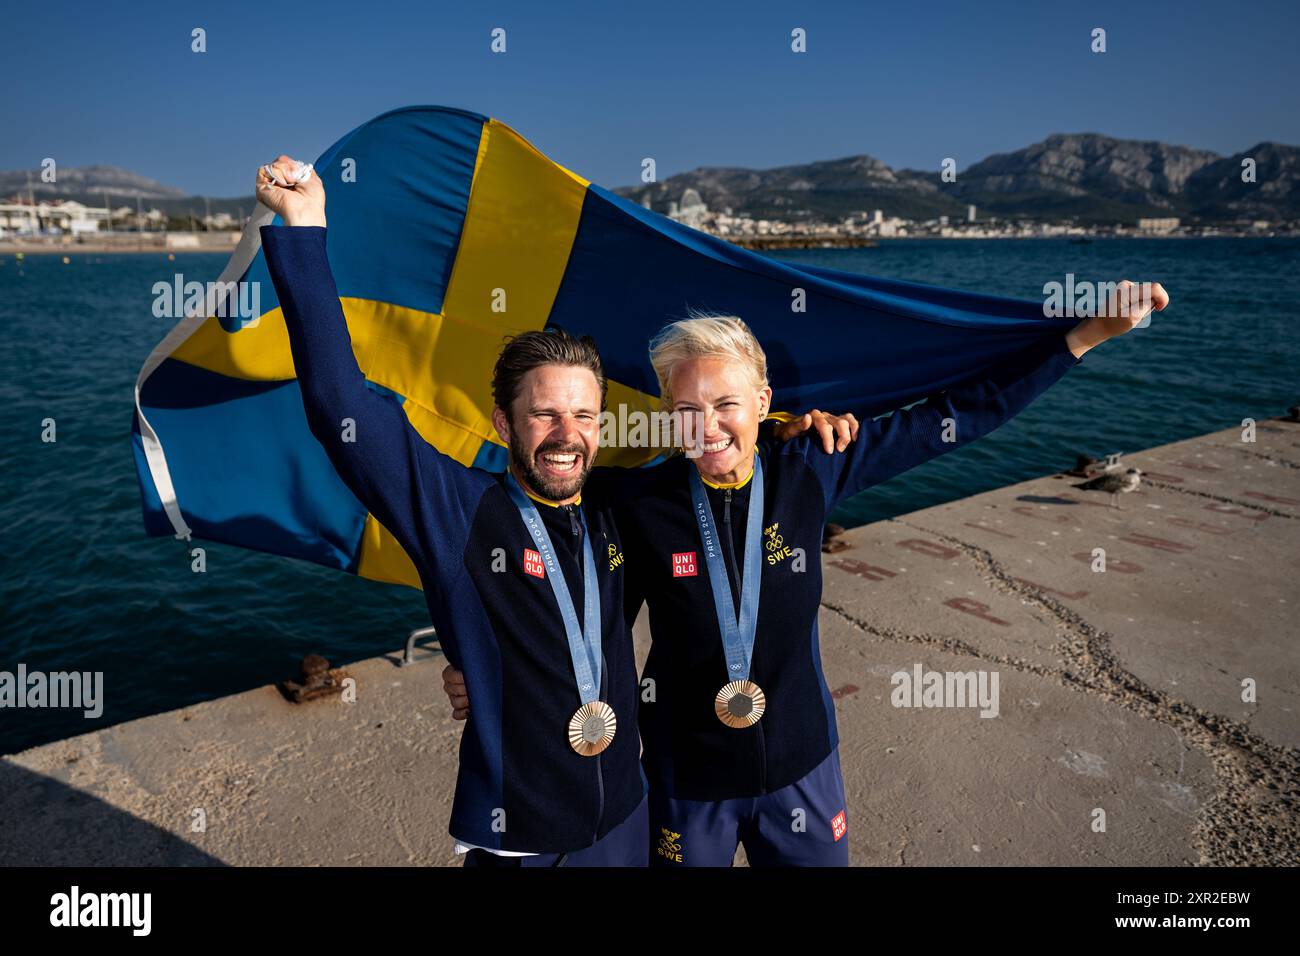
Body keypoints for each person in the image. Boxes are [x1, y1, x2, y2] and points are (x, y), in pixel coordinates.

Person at [253, 155, 852, 866]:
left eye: (585, 416)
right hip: (521, 839)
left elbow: (709, 445)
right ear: (504, 424)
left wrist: (782, 425)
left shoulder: (618, 506)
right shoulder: (458, 512)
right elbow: (340, 406)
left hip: (628, 821)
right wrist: (303, 227)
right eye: (543, 415)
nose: (567, 435)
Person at [445, 301, 1169, 867]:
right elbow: (558, 584)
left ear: (763, 401)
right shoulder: (635, 504)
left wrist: (1080, 338)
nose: (709, 427)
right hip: (684, 781)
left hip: (802, 766)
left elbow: (954, 418)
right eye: (688, 411)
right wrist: (480, 665)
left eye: (727, 404)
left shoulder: (812, 469)